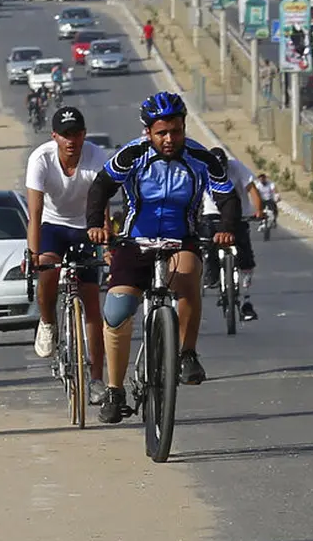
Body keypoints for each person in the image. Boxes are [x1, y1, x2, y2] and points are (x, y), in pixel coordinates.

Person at [85, 92, 240, 424]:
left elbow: (227, 196)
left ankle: (186, 354)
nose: (170, 139)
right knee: (116, 310)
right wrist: (96, 225)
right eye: (162, 133)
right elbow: (100, 187)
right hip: (134, 241)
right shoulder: (131, 155)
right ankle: (114, 390)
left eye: (176, 131)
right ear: (148, 132)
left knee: (188, 275)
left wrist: (227, 228)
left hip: (180, 239)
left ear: (184, 127)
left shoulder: (202, 158)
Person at [26, 106, 112, 405]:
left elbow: (104, 208)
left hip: (87, 226)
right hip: (52, 225)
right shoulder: (40, 159)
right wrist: (33, 254)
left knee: (91, 300)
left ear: (84, 135)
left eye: (76, 134)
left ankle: (98, 379)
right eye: (65, 135)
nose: (71, 140)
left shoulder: (98, 158)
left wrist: (108, 244)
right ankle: (48, 321)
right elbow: (34, 214)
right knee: (48, 270)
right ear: (55, 137)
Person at [201, 147, 264, 321]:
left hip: (239, 215)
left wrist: (259, 210)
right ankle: (211, 273)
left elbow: (252, 189)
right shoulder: (202, 169)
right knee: (208, 243)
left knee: (245, 256)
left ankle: (246, 299)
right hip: (212, 214)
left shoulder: (237, 167)